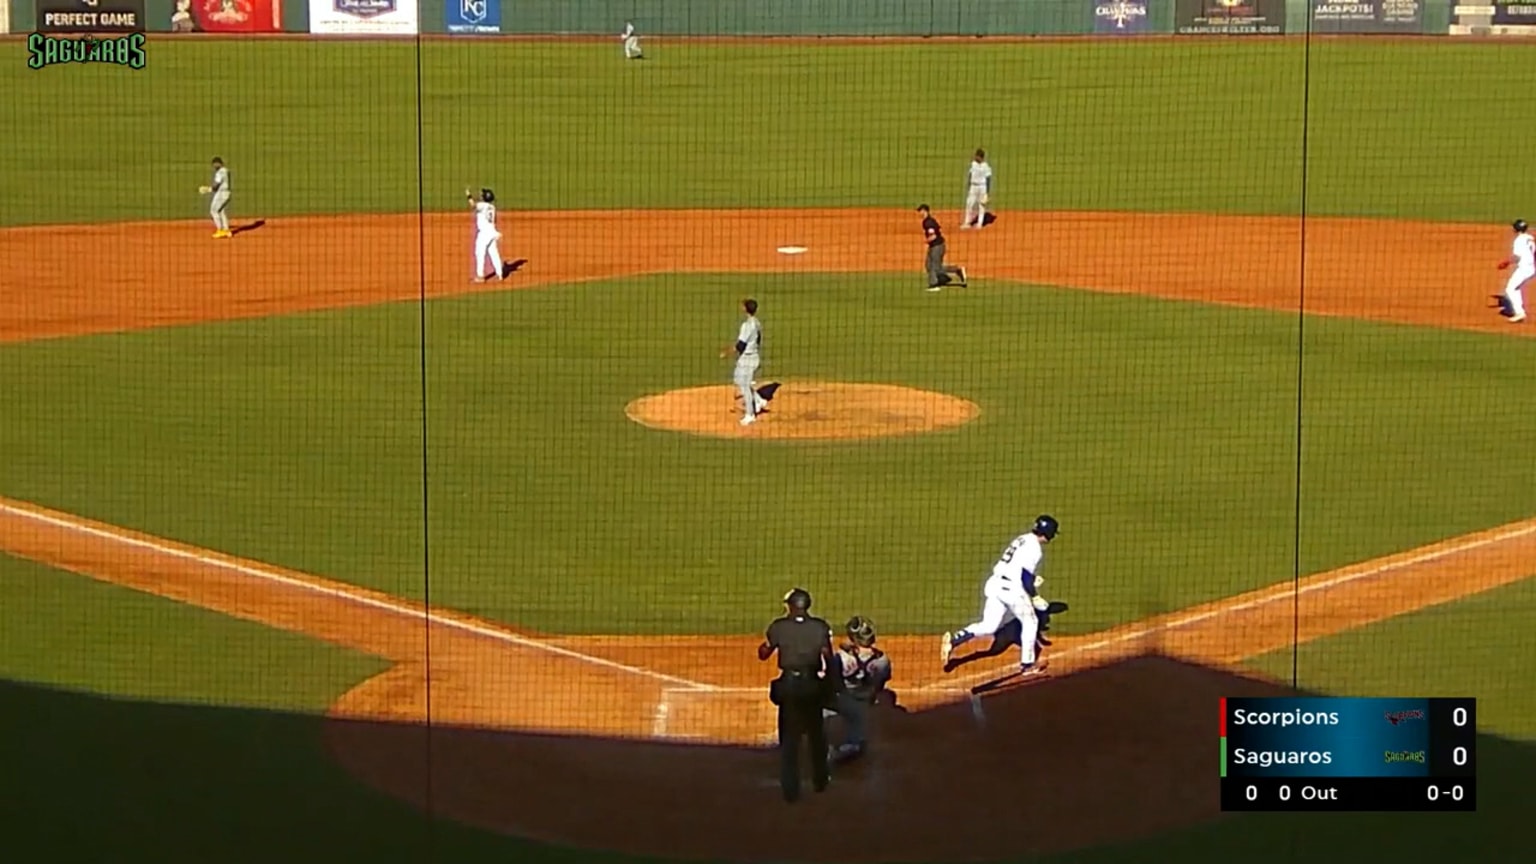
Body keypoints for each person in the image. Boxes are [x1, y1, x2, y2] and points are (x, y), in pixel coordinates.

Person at [941, 515, 1060, 675]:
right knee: (1030, 621)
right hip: (1012, 588)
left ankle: (955, 640)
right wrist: (1035, 596)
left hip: (995, 584)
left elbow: (1017, 566)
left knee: (989, 625)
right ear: (1048, 532)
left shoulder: (1022, 539)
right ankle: (1027, 665)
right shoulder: (1035, 549)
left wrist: (1031, 580)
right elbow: (1024, 576)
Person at [758, 587, 835, 803]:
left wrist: (766, 645)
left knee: (790, 739)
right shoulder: (820, 627)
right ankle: (820, 780)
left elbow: (764, 654)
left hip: (790, 687)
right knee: (816, 734)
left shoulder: (779, 627)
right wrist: (829, 686)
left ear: (791, 606)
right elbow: (829, 658)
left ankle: (790, 789)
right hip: (812, 686)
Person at [827, 615, 892, 764]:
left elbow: (833, 681)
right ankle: (852, 744)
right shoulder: (883, 660)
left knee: (820, 706)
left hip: (841, 699)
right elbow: (880, 684)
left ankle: (823, 743)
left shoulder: (842, 657)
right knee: (857, 737)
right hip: (864, 701)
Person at [720, 298, 765, 426]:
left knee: (744, 386)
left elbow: (740, 345)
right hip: (750, 357)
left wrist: (726, 352)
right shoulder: (756, 322)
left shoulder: (747, 326)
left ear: (746, 309)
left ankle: (750, 415)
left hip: (748, 359)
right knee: (738, 379)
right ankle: (758, 400)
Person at [466, 187, 514, 283]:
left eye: (482, 194)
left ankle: (480, 276)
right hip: (492, 232)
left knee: (480, 253)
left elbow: (473, 206)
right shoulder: (492, 207)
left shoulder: (482, 205)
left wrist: (468, 195)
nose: (480, 195)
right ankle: (500, 274)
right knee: (493, 253)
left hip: (484, 234)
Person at [916, 204, 967, 293]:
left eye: (921, 211)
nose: (919, 213)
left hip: (937, 246)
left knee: (934, 267)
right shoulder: (929, 220)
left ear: (925, 211)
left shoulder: (928, 222)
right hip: (936, 245)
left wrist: (926, 241)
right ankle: (956, 270)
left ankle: (934, 285)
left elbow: (934, 236)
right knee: (929, 265)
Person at [1496, 219, 1533, 323]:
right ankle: (1519, 310)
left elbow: (1517, 257)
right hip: (1531, 268)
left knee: (1510, 289)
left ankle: (1519, 313)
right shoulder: (1530, 238)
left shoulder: (1519, 240)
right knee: (1515, 287)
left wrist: (1506, 263)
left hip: (1524, 268)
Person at [199, 157, 232, 239]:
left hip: (221, 194)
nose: (214, 166)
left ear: (219, 163)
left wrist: (207, 189)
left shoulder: (220, 173)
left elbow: (216, 185)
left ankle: (220, 230)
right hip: (227, 193)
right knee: (221, 211)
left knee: (213, 211)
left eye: (215, 164)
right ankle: (226, 230)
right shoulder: (226, 170)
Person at [961, 149, 993, 230]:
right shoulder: (973, 164)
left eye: (977, 156)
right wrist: (968, 186)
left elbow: (988, 179)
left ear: (981, 157)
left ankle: (979, 223)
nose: (975, 157)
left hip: (982, 187)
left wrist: (987, 193)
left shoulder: (986, 166)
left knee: (981, 205)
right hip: (973, 186)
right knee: (969, 204)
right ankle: (967, 222)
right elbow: (970, 175)